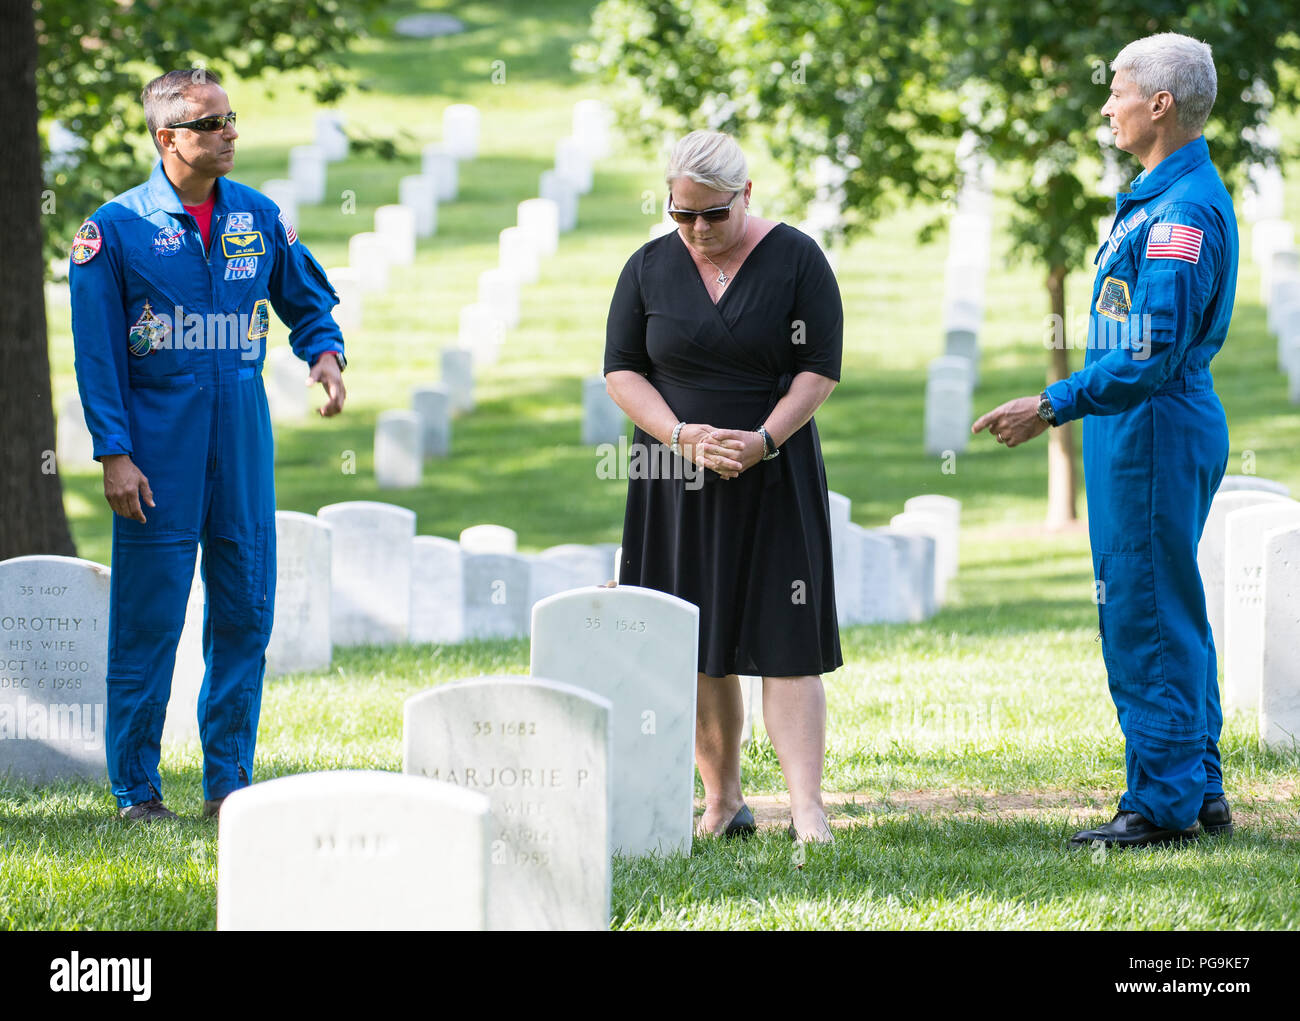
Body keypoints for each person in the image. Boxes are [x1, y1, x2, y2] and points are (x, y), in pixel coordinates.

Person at [972, 33, 1236, 848]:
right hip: (1143, 426)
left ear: (1160, 105)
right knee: (1169, 605)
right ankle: (1199, 786)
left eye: (1117, 91)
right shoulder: (1163, 192)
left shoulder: (1181, 211)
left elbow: (1147, 354)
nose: (1105, 104)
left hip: (1150, 426)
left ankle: (1160, 805)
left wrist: (1051, 404)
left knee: (1145, 612)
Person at [69, 69, 347, 823]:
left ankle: (228, 782)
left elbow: (307, 298)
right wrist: (113, 452)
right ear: (167, 138)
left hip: (242, 445)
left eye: (231, 118)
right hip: (157, 451)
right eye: (210, 122)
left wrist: (323, 352)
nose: (229, 132)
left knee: (245, 610)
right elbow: (97, 355)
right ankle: (137, 789)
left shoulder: (258, 217)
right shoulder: (113, 231)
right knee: (148, 617)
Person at [604, 131, 843, 843]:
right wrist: (681, 436)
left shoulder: (797, 259)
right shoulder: (647, 268)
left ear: (746, 195)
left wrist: (766, 438)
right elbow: (621, 369)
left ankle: (808, 809)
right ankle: (723, 800)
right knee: (695, 640)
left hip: (776, 470)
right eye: (683, 215)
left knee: (786, 635)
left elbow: (819, 366)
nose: (699, 230)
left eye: (713, 214)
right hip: (674, 478)